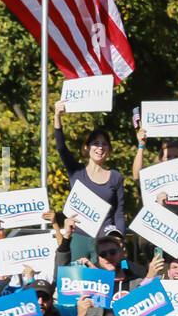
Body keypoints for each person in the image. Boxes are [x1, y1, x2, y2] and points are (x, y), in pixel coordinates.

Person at [54, 103, 127, 258]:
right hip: (78, 236)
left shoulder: (116, 177)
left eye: (104, 144)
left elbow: (119, 213)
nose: (100, 148)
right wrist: (57, 116)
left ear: (109, 150)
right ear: (87, 147)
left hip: (104, 240)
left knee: (102, 280)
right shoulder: (76, 171)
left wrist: (119, 238)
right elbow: (61, 148)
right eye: (96, 143)